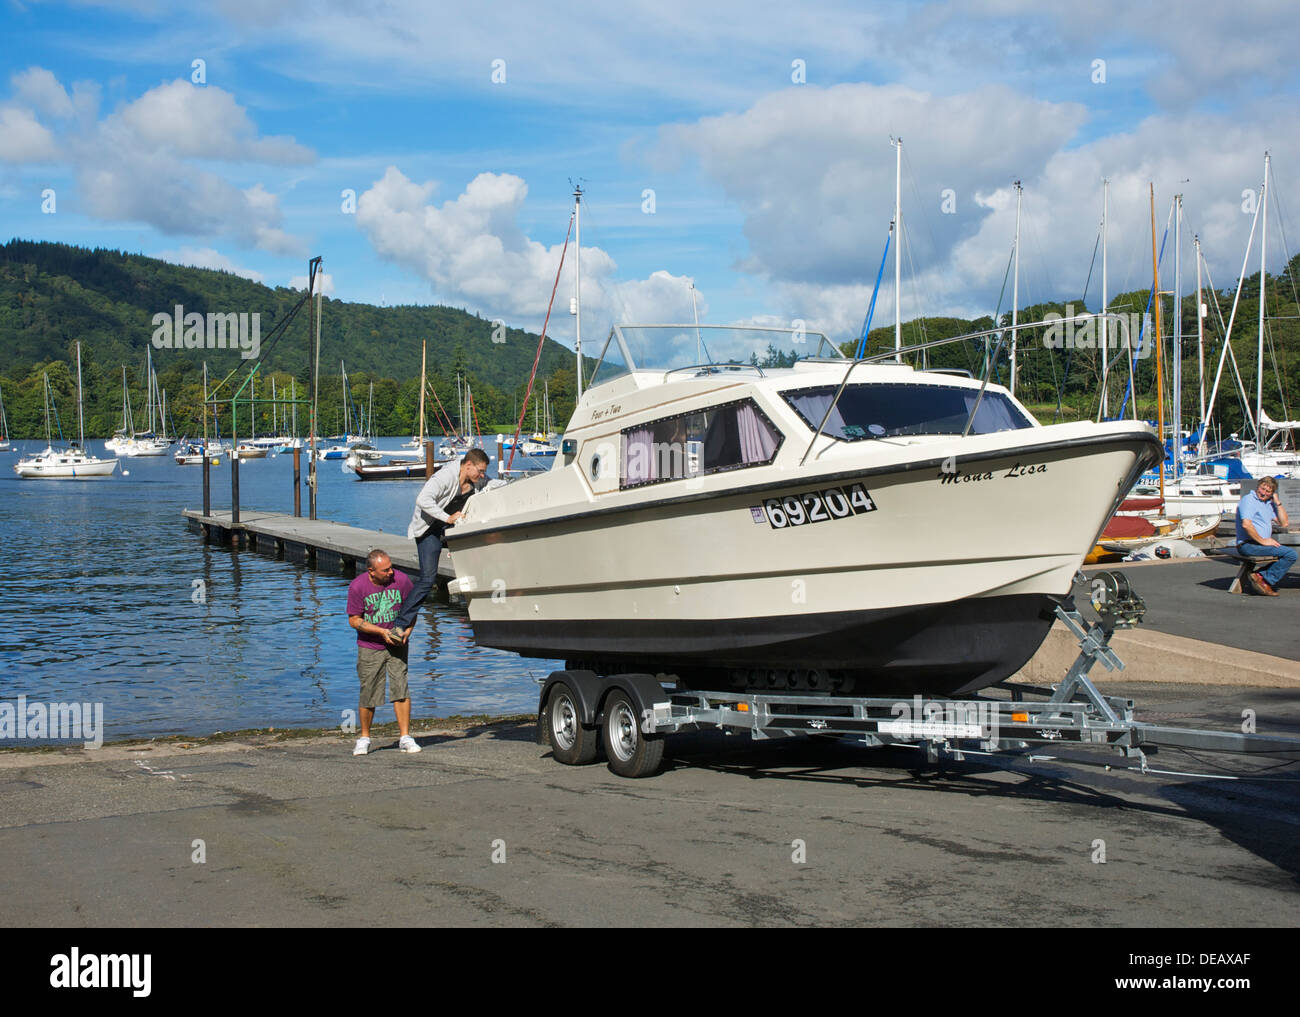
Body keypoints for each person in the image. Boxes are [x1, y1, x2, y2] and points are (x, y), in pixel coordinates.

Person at [391, 447, 504, 641]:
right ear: (468, 465)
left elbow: (494, 483)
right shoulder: (444, 477)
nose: (483, 474)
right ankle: (399, 624)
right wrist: (447, 517)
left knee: (488, 553)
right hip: (430, 530)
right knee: (427, 578)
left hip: (451, 531)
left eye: (484, 471)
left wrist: (524, 482)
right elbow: (422, 499)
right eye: (480, 470)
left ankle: (486, 615)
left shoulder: (476, 479)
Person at [347, 549, 420, 754]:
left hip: (397, 644)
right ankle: (364, 738)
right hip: (370, 646)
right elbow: (354, 620)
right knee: (369, 691)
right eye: (385, 569)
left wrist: (408, 631)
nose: (390, 572)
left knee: (401, 688)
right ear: (371, 571)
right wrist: (381, 632)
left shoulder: (402, 580)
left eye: (391, 567)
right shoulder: (358, 586)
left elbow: (412, 610)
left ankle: (405, 737)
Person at [1235, 476, 1295, 597]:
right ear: (1258, 487)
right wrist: (1263, 541)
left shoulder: (1267, 503)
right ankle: (1263, 578)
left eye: (1268, 492)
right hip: (1247, 544)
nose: (1263, 493)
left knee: (1288, 553)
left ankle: (1261, 576)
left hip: (1257, 543)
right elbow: (1246, 525)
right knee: (1290, 554)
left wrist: (1277, 502)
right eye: (1262, 489)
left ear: (1272, 493)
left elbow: (1284, 523)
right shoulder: (1249, 500)